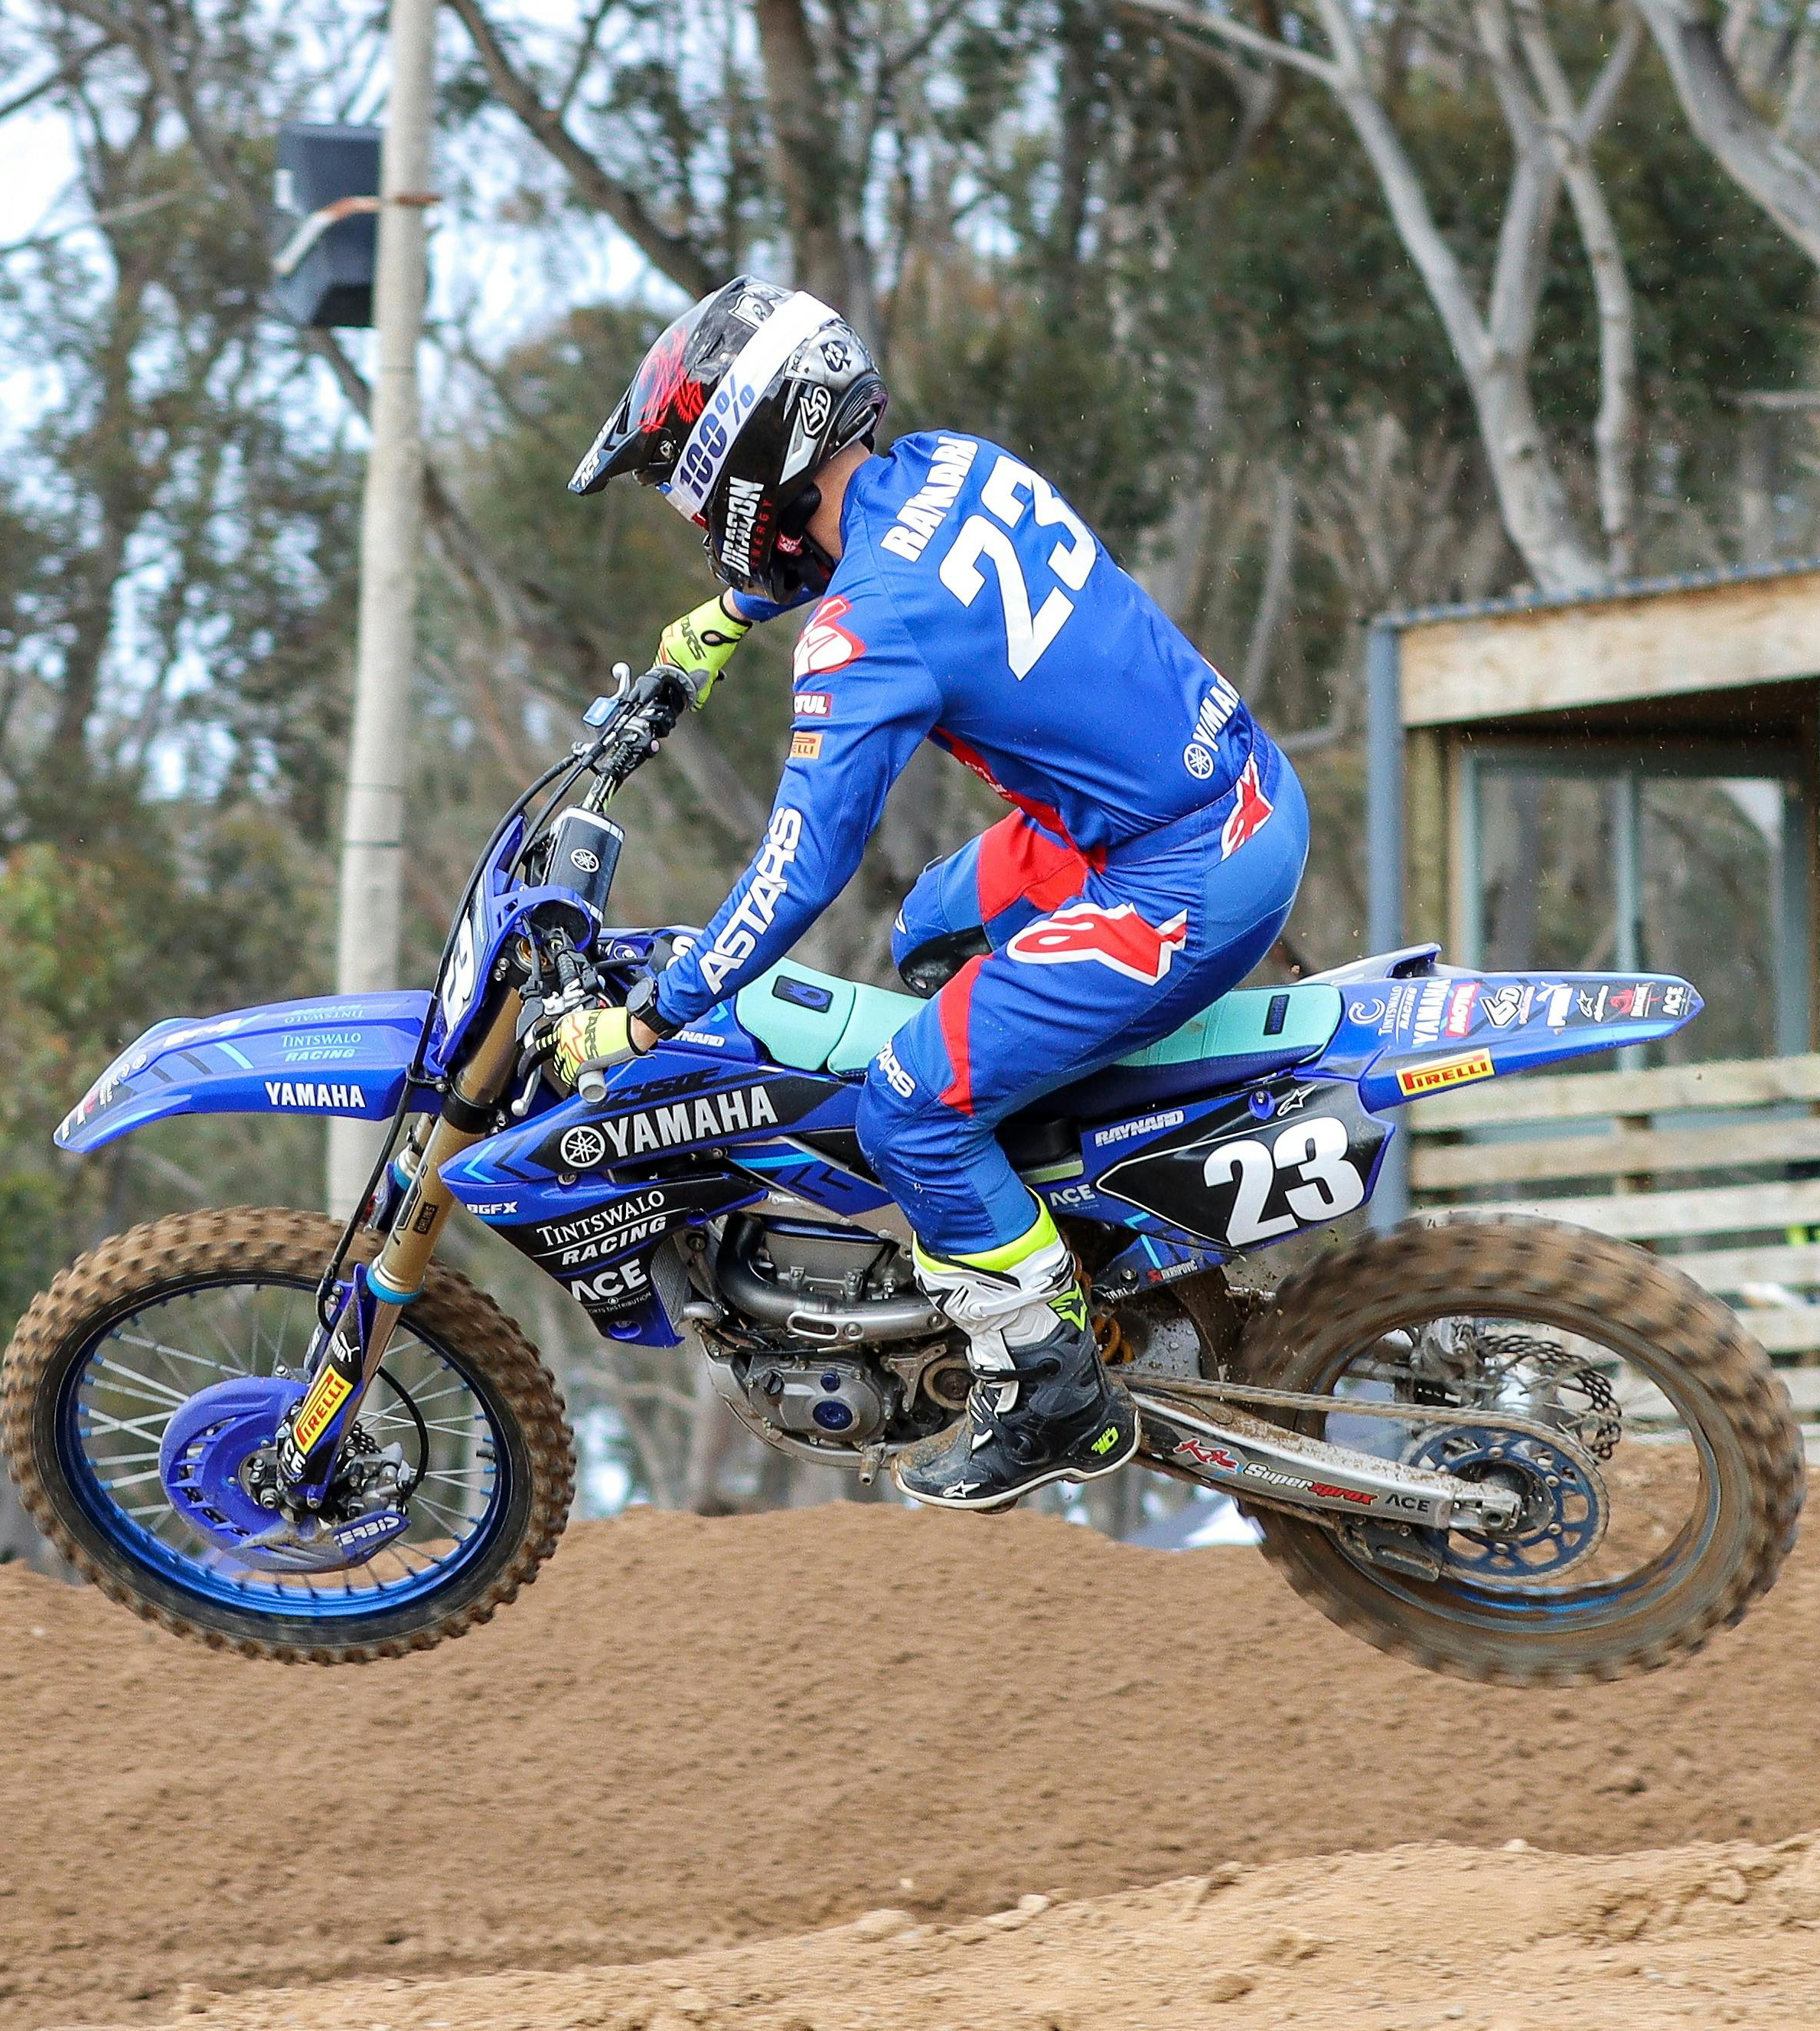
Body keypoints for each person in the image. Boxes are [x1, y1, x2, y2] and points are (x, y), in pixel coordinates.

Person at [545, 278, 1306, 1510]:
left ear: (747, 449)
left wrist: (649, 1016)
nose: (689, 505)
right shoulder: (956, 463)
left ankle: (1051, 1382)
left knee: (907, 1108)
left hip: (1183, 869)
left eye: (685, 471)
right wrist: (727, 613)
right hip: (1223, 789)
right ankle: (1087, 1227)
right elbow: (873, 553)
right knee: (932, 924)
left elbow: (798, 868)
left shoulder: (864, 633)